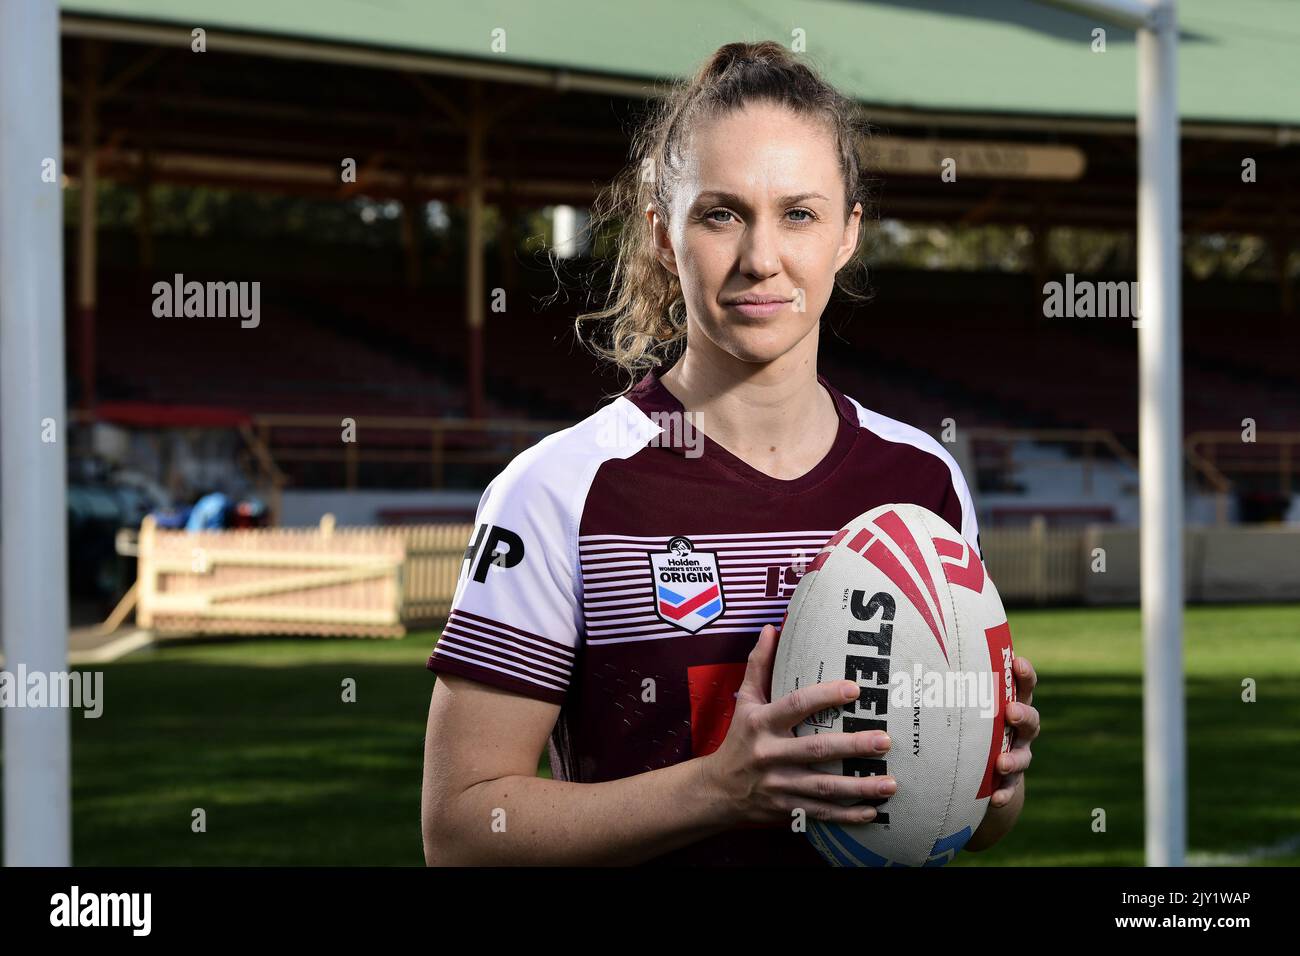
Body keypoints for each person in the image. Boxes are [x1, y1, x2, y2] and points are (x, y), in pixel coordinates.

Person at [421, 41, 1039, 866]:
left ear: (849, 234)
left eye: (799, 214)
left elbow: (977, 826)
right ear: (663, 237)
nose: (761, 258)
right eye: (722, 213)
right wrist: (717, 789)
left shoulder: (922, 480)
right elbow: (460, 833)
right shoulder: (557, 490)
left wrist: (990, 772)